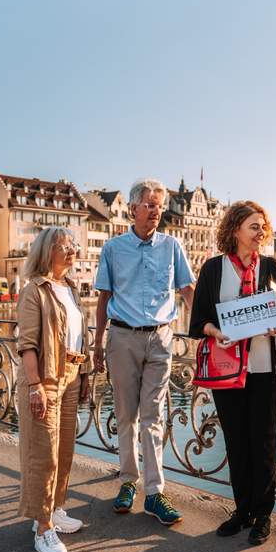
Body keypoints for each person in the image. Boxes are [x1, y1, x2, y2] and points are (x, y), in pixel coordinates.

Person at [189, 201, 276, 546]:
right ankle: (241, 510)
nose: (261, 233)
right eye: (254, 226)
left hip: (265, 370)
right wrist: (216, 332)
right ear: (235, 229)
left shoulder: (272, 268)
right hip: (227, 371)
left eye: (263, 227)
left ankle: (263, 514)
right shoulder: (213, 269)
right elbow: (199, 319)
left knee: (263, 445)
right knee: (236, 443)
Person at [92, 178, 195, 526]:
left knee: (153, 416)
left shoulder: (172, 245)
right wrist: (97, 343)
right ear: (134, 208)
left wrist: (204, 332)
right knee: (125, 415)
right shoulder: (112, 248)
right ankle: (127, 482)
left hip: (161, 339)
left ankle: (154, 492)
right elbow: (103, 299)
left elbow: (187, 290)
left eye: (159, 206)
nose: (156, 211)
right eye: (150, 205)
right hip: (122, 337)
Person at [15, 226, 92, 552]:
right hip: (45, 376)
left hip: (72, 374)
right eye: (65, 246)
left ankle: (56, 508)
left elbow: (78, 337)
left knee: (64, 449)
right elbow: (27, 343)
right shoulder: (35, 290)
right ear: (48, 251)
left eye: (74, 245)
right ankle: (42, 526)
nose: (73, 251)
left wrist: (85, 373)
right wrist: (35, 385)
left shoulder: (69, 289)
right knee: (42, 453)